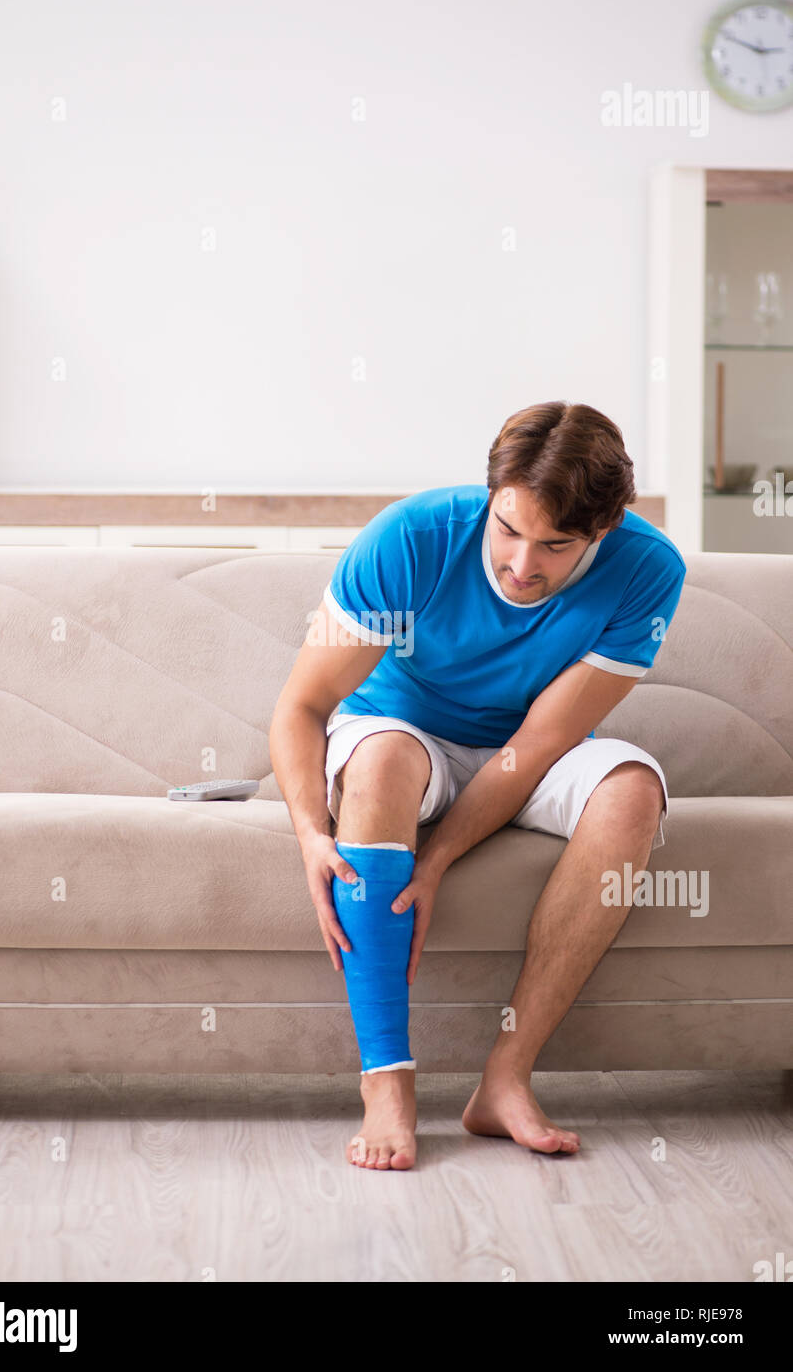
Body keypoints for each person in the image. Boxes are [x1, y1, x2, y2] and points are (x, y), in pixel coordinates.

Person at [269, 401, 686, 1171]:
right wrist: (308, 834)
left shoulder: (648, 569)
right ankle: (385, 1082)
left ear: (604, 530)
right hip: (398, 730)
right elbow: (301, 707)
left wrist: (439, 859)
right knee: (384, 761)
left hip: (526, 748)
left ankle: (504, 1081)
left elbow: (535, 748)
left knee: (630, 791)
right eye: (507, 530)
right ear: (490, 496)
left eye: (554, 546)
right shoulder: (409, 539)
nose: (521, 565)